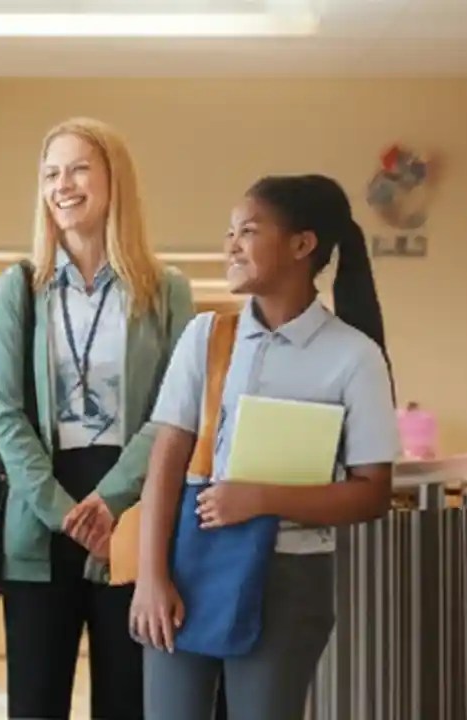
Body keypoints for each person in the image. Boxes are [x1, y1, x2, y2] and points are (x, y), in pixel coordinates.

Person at [130, 174, 399, 719]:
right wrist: (150, 577)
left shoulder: (355, 356)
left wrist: (260, 498)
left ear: (302, 245)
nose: (230, 245)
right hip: (189, 566)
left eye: (248, 231)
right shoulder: (205, 336)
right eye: (230, 232)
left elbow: (372, 493)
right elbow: (165, 461)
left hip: (290, 578)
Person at [0, 117, 195, 719]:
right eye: (51, 173)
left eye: (79, 168)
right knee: (35, 703)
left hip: (131, 512)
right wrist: (62, 511)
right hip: (40, 510)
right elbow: (5, 411)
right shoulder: (19, 288)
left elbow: (173, 410)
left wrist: (112, 501)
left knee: (128, 700)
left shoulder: (166, 291)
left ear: (113, 180)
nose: (63, 185)